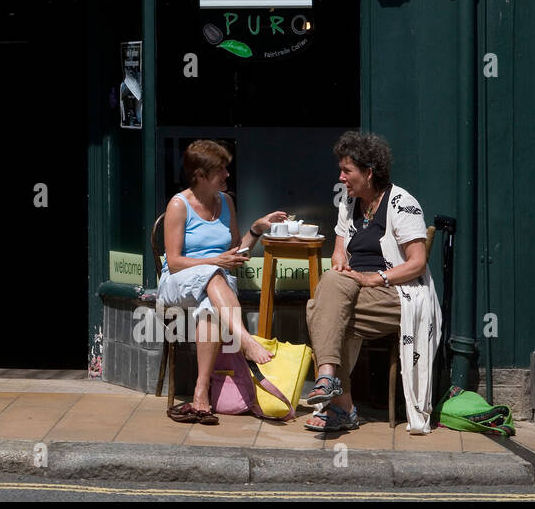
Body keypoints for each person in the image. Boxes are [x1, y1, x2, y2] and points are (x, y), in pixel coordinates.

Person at [305, 132, 442, 433]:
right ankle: (331, 384)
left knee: (321, 311)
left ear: (368, 172)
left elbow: (417, 263)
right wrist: (340, 263)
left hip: (397, 291)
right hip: (354, 286)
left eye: (347, 171)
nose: (341, 177)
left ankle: (340, 403)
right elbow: (339, 251)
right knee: (331, 287)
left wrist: (373, 278)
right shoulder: (348, 203)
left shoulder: (403, 203)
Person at [160, 140, 287, 424]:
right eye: (221, 170)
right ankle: (245, 340)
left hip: (214, 287)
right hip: (178, 280)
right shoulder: (179, 205)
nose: (228, 175)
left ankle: (201, 392)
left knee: (211, 307)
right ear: (201, 176)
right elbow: (175, 260)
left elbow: (235, 252)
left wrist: (255, 229)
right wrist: (215, 263)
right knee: (215, 276)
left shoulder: (226, 201)